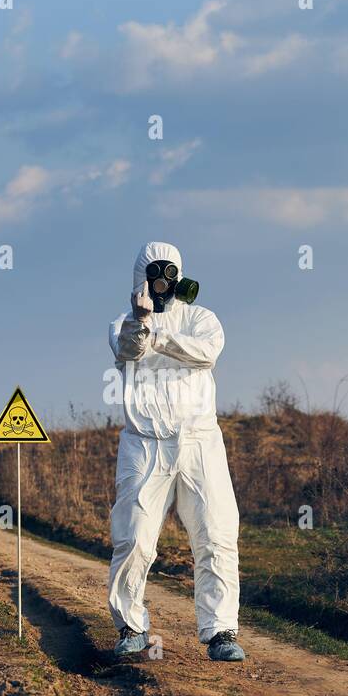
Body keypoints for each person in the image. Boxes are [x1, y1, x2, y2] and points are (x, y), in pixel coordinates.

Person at [106, 241, 245, 662]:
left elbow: (206, 354)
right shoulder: (123, 324)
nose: (164, 282)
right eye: (156, 274)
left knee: (216, 533)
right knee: (134, 538)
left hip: (199, 441)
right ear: (142, 278)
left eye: (170, 274)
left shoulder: (203, 319)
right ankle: (131, 627)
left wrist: (160, 330)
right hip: (144, 444)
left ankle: (221, 631)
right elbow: (129, 350)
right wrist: (143, 319)